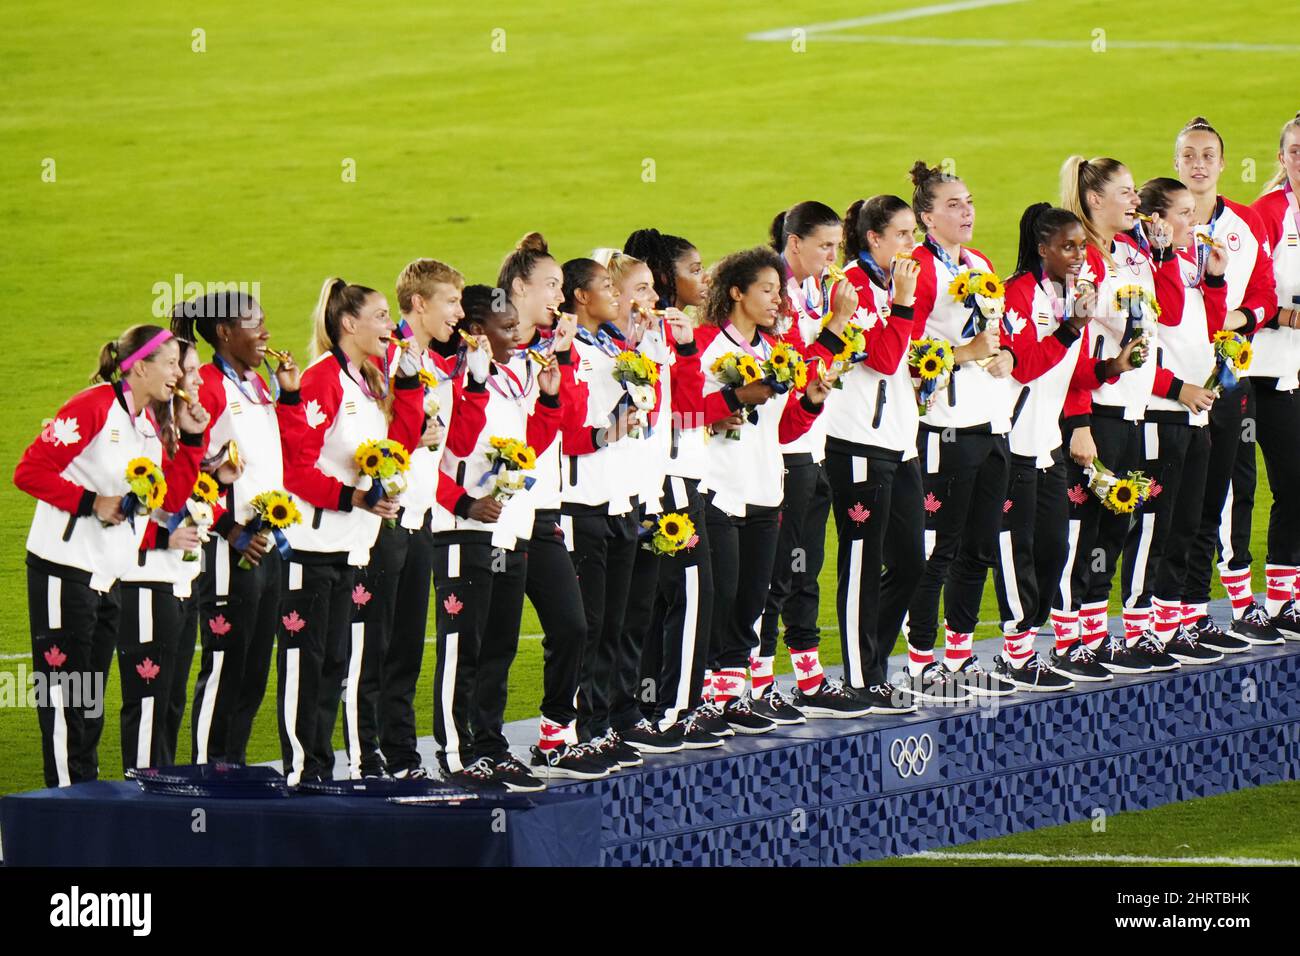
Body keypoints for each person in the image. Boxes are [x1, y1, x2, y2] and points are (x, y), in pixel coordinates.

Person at [15, 325, 189, 786]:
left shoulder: (149, 427)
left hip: (108, 580)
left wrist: (191, 439)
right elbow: (30, 469)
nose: (178, 373)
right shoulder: (92, 407)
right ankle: (63, 808)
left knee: (89, 702)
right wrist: (91, 502)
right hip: (63, 571)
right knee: (63, 700)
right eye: (170, 363)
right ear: (140, 366)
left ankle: (84, 801)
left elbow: (167, 502)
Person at [273, 278, 422, 786]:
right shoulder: (320, 381)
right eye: (380, 316)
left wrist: (407, 385)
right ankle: (302, 770)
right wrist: (353, 497)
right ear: (348, 324)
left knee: (334, 660)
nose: (390, 326)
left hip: (351, 545)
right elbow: (295, 468)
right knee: (306, 662)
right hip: (311, 544)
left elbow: (398, 447)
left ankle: (319, 767)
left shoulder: (364, 380)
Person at [431, 284, 564, 790]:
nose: (516, 335)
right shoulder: (449, 383)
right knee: (465, 650)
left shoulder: (509, 381)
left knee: (500, 645)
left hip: (508, 530)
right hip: (460, 531)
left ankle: (489, 744)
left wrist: (549, 400)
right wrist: (464, 503)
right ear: (475, 331)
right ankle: (454, 752)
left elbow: (532, 446)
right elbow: (430, 463)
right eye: (505, 328)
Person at [696, 246, 832, 734]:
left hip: (765, 488)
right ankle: (710, 698)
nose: (778, 300)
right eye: (768, 291)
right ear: (737, 293)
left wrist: (812, 403)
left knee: (753, 597)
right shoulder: (706, 345)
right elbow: (683, 415)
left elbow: (785, 429)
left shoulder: (778, 353)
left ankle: (734, 696)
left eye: (780, 290)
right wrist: (731, 398)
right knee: (724, 596)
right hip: (717, 491)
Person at [1057, 155, 1180, 673]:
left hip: (1133, 410)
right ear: (1094, 200)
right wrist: (1080, 422)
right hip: (1096, 413)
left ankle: (1094, 634)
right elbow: (1070, 350)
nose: (1136, 201)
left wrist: (1167, 254)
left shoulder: (1132, 252)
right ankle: (1067, 644)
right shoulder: (1079, 261)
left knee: (1116, 526)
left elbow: (1167, 314)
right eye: (1126, 192)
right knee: (1081, 530)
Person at [902, 160, 1018, 702]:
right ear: (926, 218)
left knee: (979, 546)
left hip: (993, 423)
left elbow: (1002, 333)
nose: (967, 210)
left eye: (969, 200)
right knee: (937, 549)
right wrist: (965, 353)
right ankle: (920, 663)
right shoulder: (918, 270)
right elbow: (905, 356)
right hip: (944, 427)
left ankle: (960, 654)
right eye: (952, 204)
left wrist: (1002, 354)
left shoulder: (981, 262)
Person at [495, 234, 605, 781]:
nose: (559, 296)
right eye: (552, 285)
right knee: (494, 641)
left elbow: (573, 427)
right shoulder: (493, 347)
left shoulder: (550, 347)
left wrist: (563, 357)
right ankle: (477, 748)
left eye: (563, 286)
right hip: (492, 519)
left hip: (542, 513)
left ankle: (555, 735)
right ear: (518, 287)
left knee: (572, 625)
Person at [1120, 177, 1242, 664]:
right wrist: (1177, 389)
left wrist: (1214, 279)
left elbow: (1209, 329)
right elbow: (1146, 342)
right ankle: (1136, 628)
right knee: (1153, 526)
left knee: (1187, 524)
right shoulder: (1144, 267)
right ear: (1157, 221)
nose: (1195, 221)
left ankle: (1168, 627)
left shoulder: (1187, 262)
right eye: (1185, 213)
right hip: (1158, 415)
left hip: (1193, 417)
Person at [1174, 116, 1284, 646]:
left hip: (1230, 378)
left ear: (1221, 162)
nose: (1198, 164)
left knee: (1236, 488)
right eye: (1189, 155)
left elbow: (1263, 294)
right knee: (1182, 498)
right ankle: (1179, 613)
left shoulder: (1245, 224)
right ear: (1176, 163)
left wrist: (1231, 322)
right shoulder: (1160, 224)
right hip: (1173, 388)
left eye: (1207, 155)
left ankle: (1238, 602)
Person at [171, 292, 293, 765]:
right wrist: (229, 529)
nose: (265, 333)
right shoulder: (210, 386)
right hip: (231, 550)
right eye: (253, 324)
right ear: (224, 333)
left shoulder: (256, 383)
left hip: (268, 547)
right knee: (224, 666)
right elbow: (185, 469)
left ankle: (232, 766)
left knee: (252, 670)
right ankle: (207, 772)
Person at [759, 202, 869, 719]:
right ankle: (755, 685)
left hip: (813, 445)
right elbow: (798, 371)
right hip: (781, 452)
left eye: (836, 246)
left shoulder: (811, 292)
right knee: (776, 573)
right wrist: (838, 324)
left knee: (806, 569)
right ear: (794, 242)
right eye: (824, 246)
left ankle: (807, 675)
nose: (832, 256)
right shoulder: (773, 297)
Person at [989, 205, 1098, 690]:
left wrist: (1112, 367)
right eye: (1067, 246)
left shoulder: (1073, 293)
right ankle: (1015, 655)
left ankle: (1034, 642)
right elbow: (1021, 367)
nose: (1078, 255)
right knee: (1016, 549)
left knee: (1053, 549)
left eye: (1081, 246)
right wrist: (1071, 328)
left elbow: (1069, 373)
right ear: (1042, 249)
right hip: (1012, 443)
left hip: (1047, 443)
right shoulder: (1016, 295)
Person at [622, 228, 723, 747]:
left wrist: (685, 352)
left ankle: (650, 705)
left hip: (675, 475)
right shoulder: (638, 336)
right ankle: (679, 707)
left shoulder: (667, 331)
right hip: (667, 480)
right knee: (689, 592)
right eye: (691, 269)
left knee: (658, 600)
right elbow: (679, 414)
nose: (701, 277)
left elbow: (685, 408)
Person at [822, 194, 924, 711]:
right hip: (858, 443)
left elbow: (901, 360)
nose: (912, 245)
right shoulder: (850, 288)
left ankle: (874, 664)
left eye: (914, 234)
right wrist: (904, 303)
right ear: (874, 239)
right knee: (862, 562)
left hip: (900, 443)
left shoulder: (888, 285)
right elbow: (882, 360)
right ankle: (861, 679)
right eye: (902, 235)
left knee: (911, 560)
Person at [115, 337, 210, 770]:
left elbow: (171, 501)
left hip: (178, 581)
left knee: (170, 700)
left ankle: (164, 789)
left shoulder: (164, 427)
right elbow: (120, 511)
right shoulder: (134, 428)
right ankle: (142, 796)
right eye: (181, 368)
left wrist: (194, 442)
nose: (188, 378)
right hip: (142, 580)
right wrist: (161, 539)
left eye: (188, 370)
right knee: (150, 703)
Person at [1248, 112, 1300, 639]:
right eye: (1295, 150)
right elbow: (1250, 296)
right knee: (1291, 483)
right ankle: (1282, 599)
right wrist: (1286, 315)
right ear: (1282, 158)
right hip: (1268, 372)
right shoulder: (1266, 215)